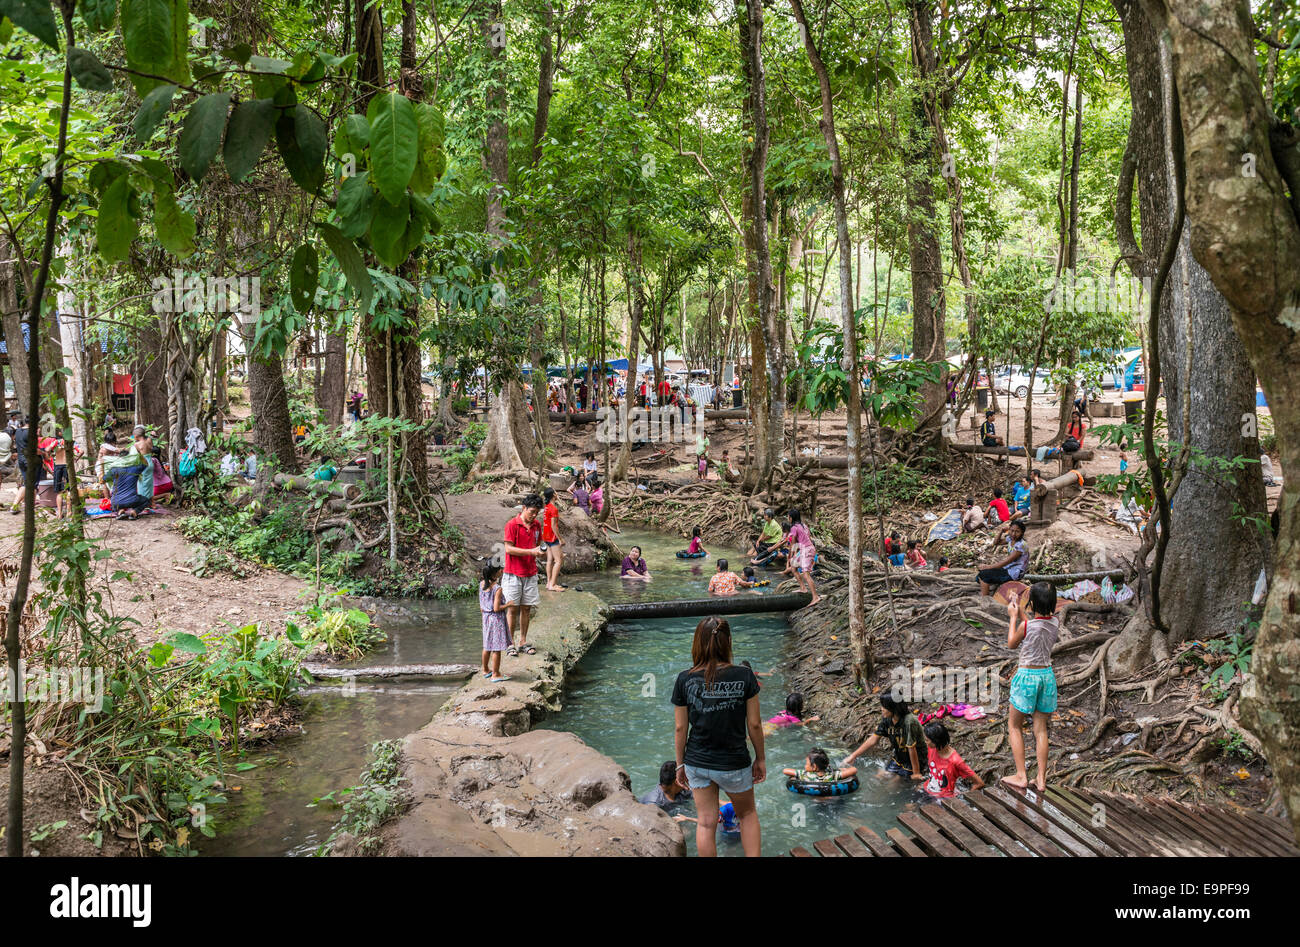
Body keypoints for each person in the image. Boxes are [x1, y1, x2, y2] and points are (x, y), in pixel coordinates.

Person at [672, 617, 764, 857]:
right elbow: (754, 724)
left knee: (705, 822)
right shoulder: (745, 676)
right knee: (746, 815)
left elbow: (680, 729)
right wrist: (760, 758)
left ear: (697, 643)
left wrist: (680, 763)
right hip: (733, 762)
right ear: (729, 642)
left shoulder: (684, 679)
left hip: (697, 762)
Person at [1003, 581, 1060, 792]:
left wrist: (1012, 617)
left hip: (1027, 677)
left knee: (1014, 726)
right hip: (1046, 677)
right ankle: (1041, 780)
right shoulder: (1055, 623)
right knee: (1041, 729)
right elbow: (1034, 627)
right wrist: (1020, 614)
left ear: (1033, 603)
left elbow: (1012, 643)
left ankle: (1021, 775)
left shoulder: (1025, 626)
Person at [842, 695, 927, 780]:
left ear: (893, 708)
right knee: (879, 778)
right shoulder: (888, 719)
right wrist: (853, 756)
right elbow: (874, 739)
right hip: (899, 757)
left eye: (884, 707)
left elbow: (911, 748)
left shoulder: (909, 722)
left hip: (916, 759)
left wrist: (916, 773)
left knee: (894, 782)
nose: (881, 709)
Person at [501, 495, 547, 656]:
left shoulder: (536, 526)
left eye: (537, 512)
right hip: (513, 573)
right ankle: (510, 643)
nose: (534, 515)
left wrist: (541, 553)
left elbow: (537, 545)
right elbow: (508, 549)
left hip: (530, 572)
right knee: (512, 609)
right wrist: (531, 552)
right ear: (524, 509)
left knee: (526, 608)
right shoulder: (512, 525)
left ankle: (523, 641)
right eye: (532, 512)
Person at [921, 722, 984, 799]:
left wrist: (966, 797)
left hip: (944, 799)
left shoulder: (956, 761)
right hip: (928, 788)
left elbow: (979, 783)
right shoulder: (931, 748)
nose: (925, 742)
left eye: (927, 740)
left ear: (936, 741)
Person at [977, 520, 1030, 596]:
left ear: (1022, 532)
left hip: (1014, 573)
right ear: (1009, 529)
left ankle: (986, 599)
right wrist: (1001, 531)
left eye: (1017, 532)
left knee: (983, 575)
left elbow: (1006, 562)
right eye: (1012, 530)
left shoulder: (1021, 545)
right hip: (1008, 568)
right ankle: (991, 590)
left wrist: (987, 567)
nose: (1013, 534)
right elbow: (996, 543)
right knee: (979, 576)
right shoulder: (1010, 539)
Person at [479, 563, 511, 683]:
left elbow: (482, 607)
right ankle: (496, 674)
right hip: (496, 620)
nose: (501, 571)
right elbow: (496, 608)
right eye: (499, 570)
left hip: (486, 618)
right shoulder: (497, 588)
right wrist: (508, 604)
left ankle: (486, 670)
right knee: (496, 648)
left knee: (487, 646)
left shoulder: (481, 585)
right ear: (494, 574)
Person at [785, 509, 819, 605]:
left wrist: (790, 555)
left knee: (806, 574)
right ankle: (803, 588)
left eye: (788, 516)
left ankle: (815, 597)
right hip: (808, 549)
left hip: (806, 550)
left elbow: (793, 543)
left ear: (791, 518)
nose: (788, 518)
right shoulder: (804, 526)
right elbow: (807, 538)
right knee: (793, 568)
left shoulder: (794, 528)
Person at [541, 487, 567, 592]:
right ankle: (553, 584)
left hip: (546, 536)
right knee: (558, 560)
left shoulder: (546, 507)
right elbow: (553, 526)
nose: (557, 494)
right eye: (555, 493)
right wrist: (560, 539)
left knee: (550, 560)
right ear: (553, 495)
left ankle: (548, 583)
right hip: (552, 537)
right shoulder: (553, 509)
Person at [783, 747, 856, 783]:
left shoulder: (805, 775)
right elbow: (854, 770)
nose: (805, 766)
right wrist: (841, 770)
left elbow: (785, 771)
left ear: (814, 767)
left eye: (806, 764)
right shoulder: (833, 775)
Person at [9, 415, 28, 515]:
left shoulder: (18, 432)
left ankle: (26, 504)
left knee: (28, 484)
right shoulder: (25, 433)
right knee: (26, 483)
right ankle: (15, 505)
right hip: (25, 460)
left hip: (20, 459)